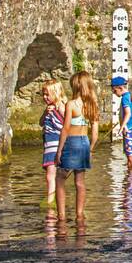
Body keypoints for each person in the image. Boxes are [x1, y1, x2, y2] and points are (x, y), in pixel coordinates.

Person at [55, 70, 99, 222]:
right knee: (80, 182)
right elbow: (95, 133)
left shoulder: (71, 105)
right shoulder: (92, 106)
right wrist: (91, 148)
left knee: (60, 178)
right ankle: (79, 214)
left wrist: (59, 150)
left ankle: (61, 215)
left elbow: (66, 128)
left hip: (72, 142)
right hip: (85, 142)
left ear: (76, 86)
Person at [39, 80, 66, 208]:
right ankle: (53, 197)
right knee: (51, 174)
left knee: (51, 174)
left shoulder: (61, 106)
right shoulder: (48, 108)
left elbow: (67, 122)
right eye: (43, 94)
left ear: (56, 93)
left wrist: (56, 110)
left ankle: (51, 200)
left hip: (55, 145)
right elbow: (41, 122)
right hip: (48, 145)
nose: (45, 97)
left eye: (47, 94)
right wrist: (46, 112)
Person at [110, 75, 132, 171]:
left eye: (114, 90)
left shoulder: (125, 98)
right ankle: (129, 176)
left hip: (128, 128)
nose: (113, 93)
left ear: (120, 88)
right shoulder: (130, 96)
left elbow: (128, 113)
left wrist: (122, 126)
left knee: (130, 156)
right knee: (129, 154)